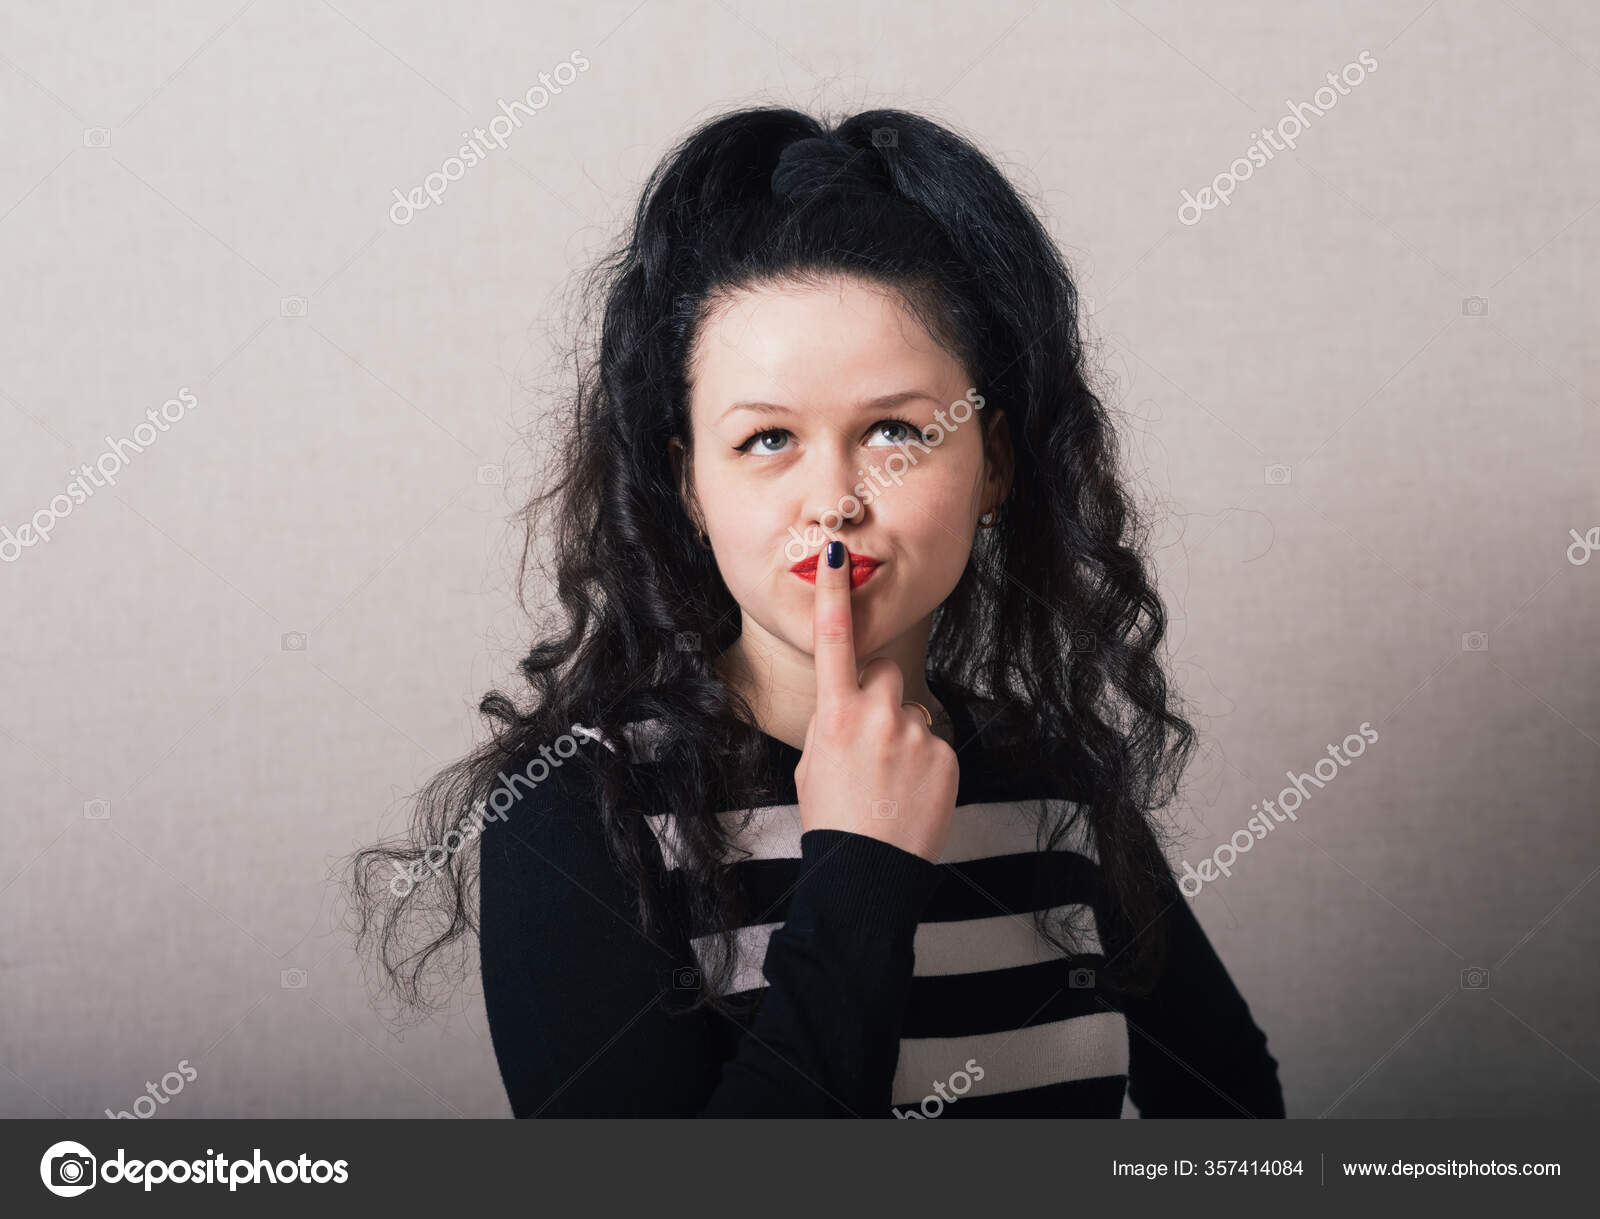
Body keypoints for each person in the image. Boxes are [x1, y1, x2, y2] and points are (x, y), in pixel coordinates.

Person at [346, 105, 1286, 1118]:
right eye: (765, 440)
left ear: (993, 466)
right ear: (690, 485)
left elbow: (1234, 1108)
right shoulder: (577, 815)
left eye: (894, 430)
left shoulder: (1058, 781)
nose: (832, 499)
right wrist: (863, 871)